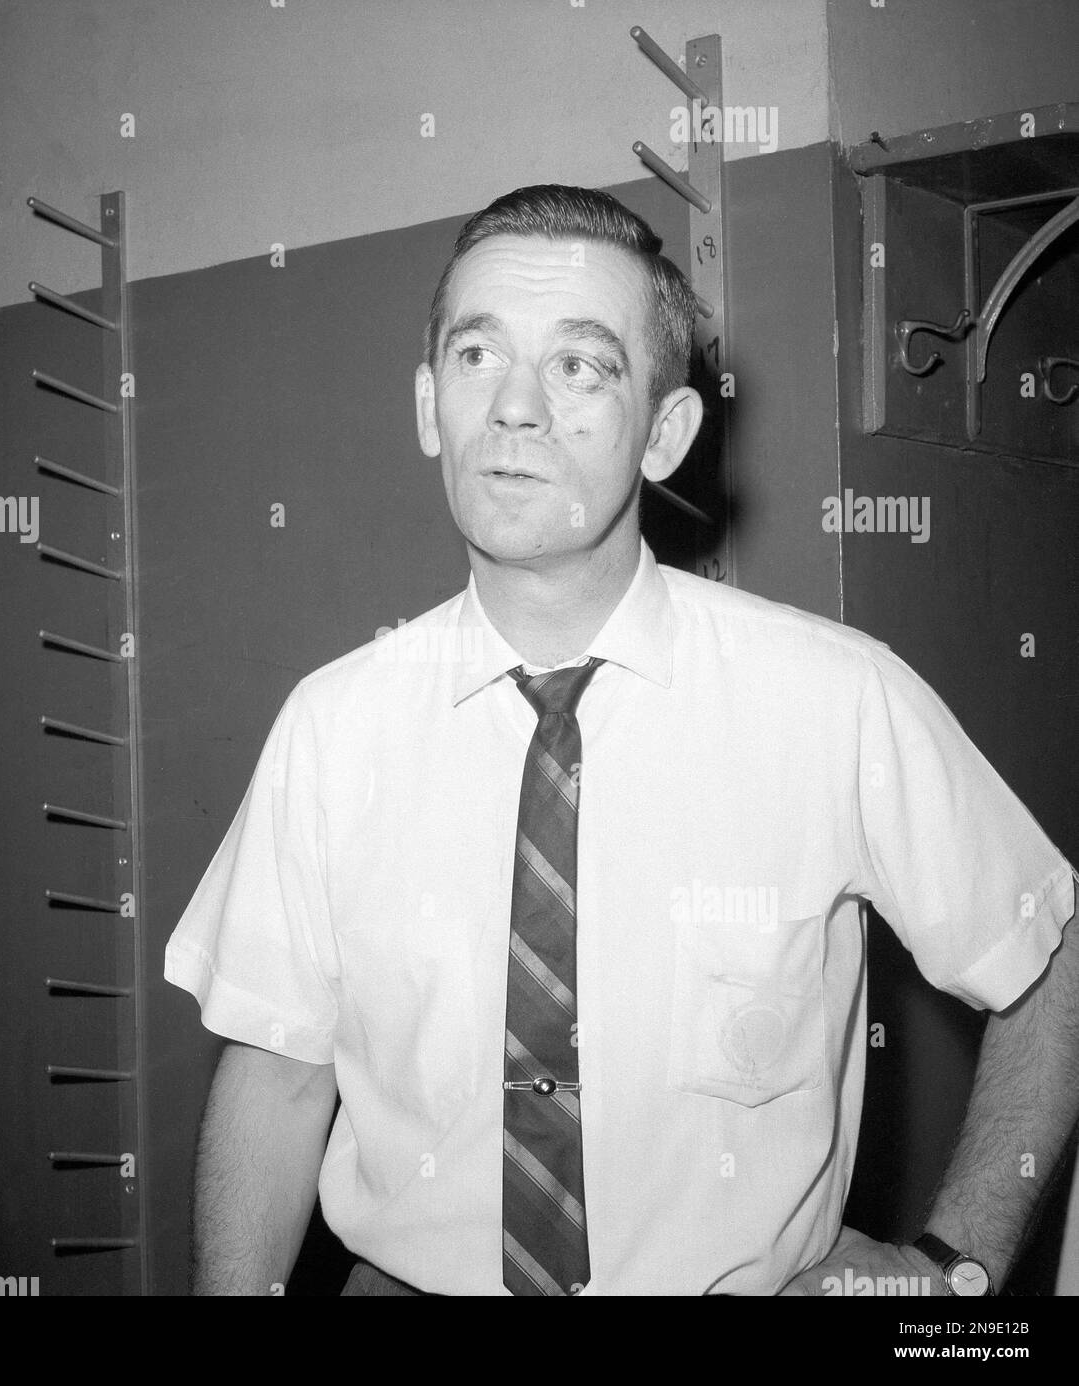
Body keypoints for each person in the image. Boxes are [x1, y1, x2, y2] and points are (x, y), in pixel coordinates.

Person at [164, 184, 1079, 1296]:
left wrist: (954, 1269)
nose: (513, 409)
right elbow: (276, 1069)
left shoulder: (833, 703)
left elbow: (1051, 956)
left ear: (665, 433)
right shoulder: (331, 728)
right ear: (425, 407)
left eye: (580, 366)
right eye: (475, 357)